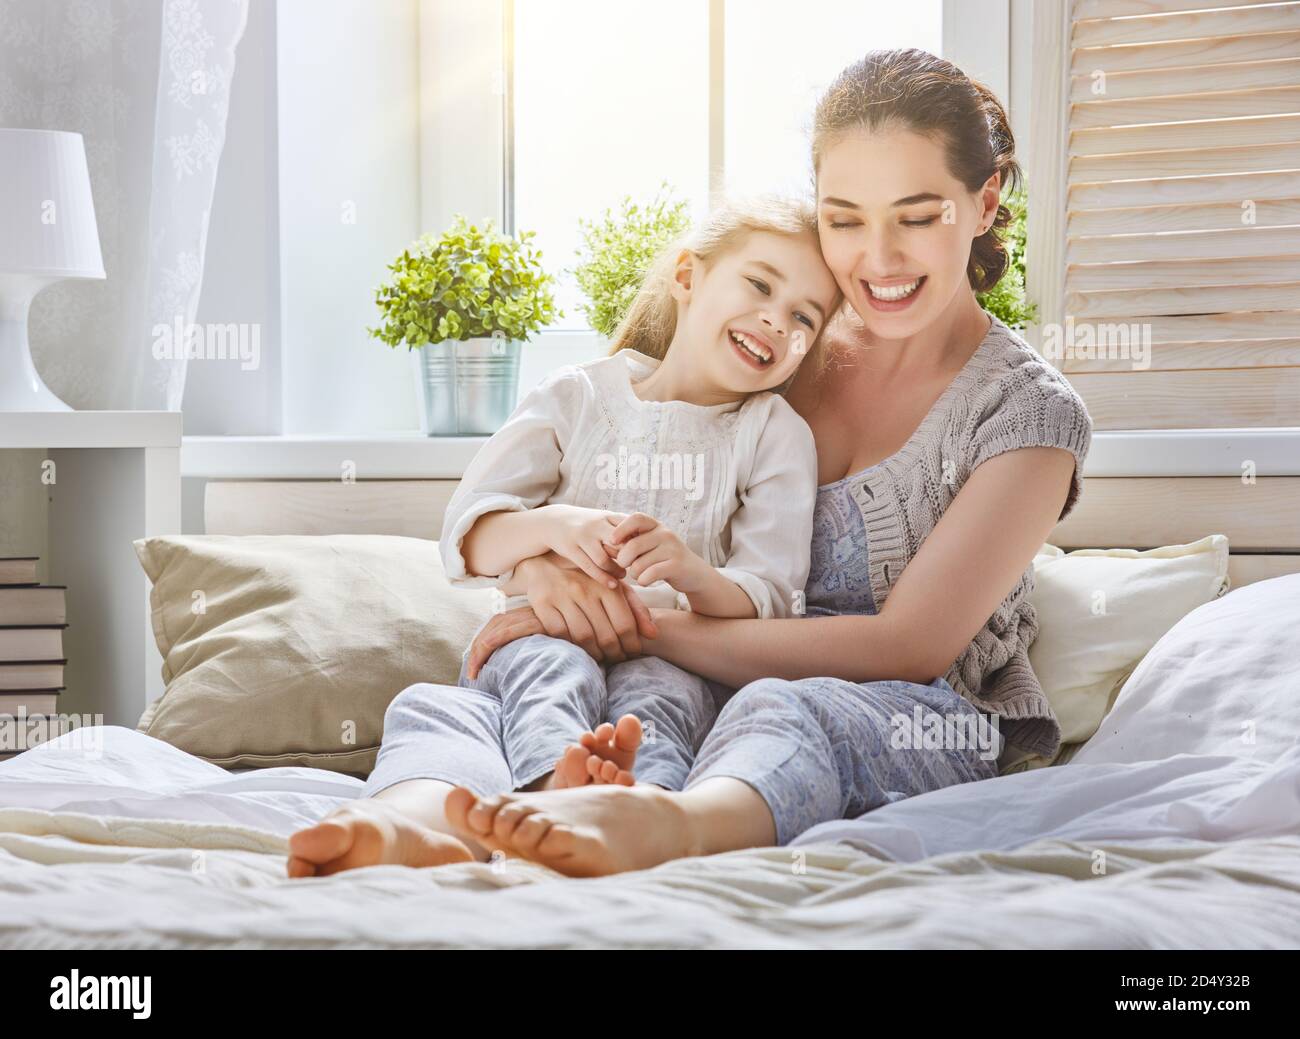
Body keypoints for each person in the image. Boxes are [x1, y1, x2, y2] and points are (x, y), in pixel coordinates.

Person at [287, 48, 1093, 880]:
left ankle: (666, 826)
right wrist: (547, 567)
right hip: (686, 693)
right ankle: (413, 820)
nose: (878, 258)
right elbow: (602, 467)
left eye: (917, 216)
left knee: (783, 710)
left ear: (984, 200)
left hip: (907, 713)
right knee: (449, 704)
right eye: (844, 218)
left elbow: (908, 647)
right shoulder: (777, 348)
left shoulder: (1027, 413)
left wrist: (628, 620)